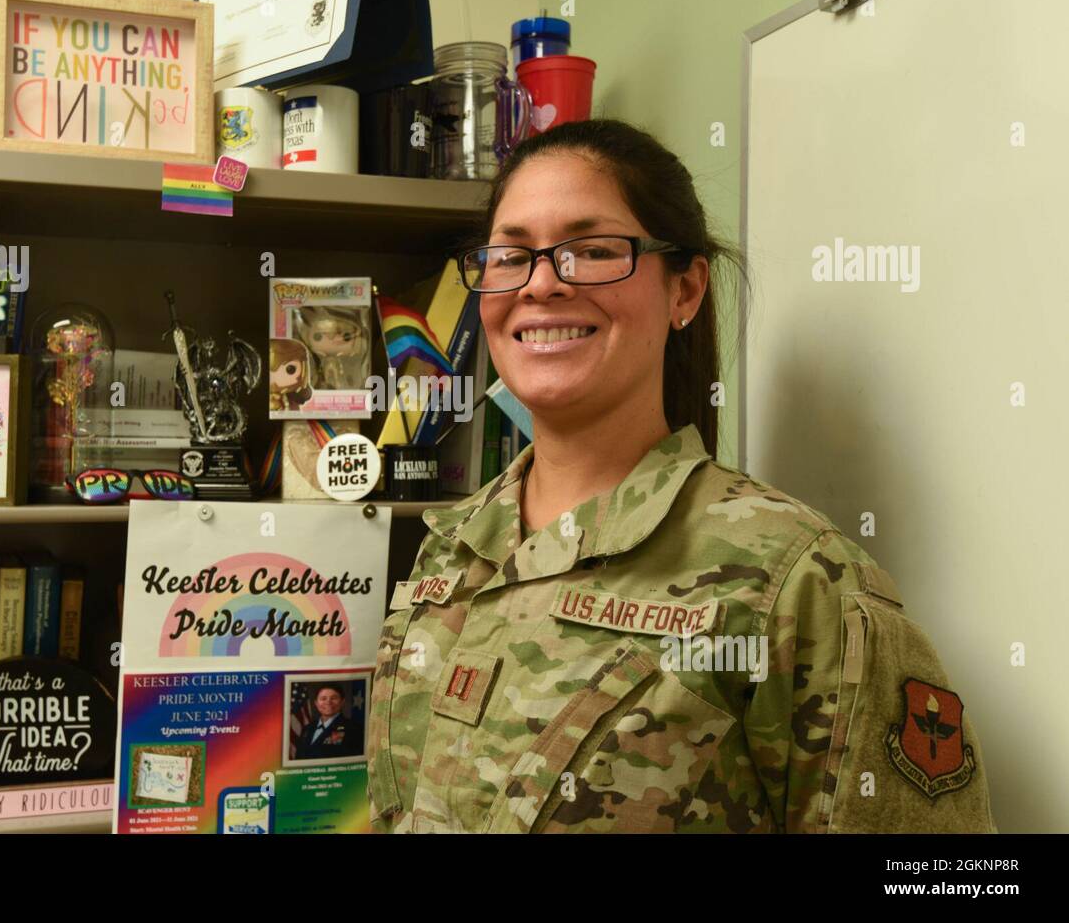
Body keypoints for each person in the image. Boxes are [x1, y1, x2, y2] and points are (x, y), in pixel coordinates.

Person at [365, 119, 996, 834]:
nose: (540, 284)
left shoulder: (795, 580)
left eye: (593, 251)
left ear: (685, 291)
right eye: (511, 256)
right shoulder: (451, 546)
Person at [296, 683, 363, 760]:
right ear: (316, 703)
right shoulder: (307, 728)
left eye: (334, 698)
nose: (328, 702)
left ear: (342, 702)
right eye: (323, 698)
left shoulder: (353, 728)